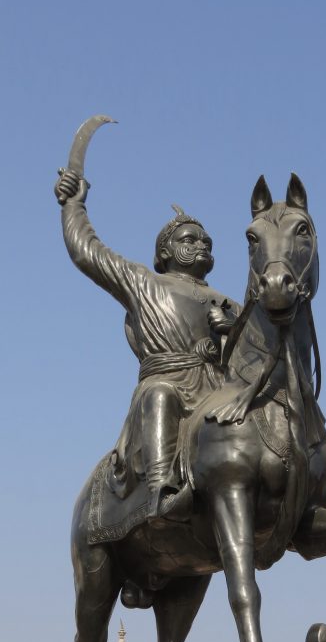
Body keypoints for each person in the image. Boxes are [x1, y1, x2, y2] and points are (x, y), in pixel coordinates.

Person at [55, 168, 238, 517]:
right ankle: (161, 490)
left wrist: (233, 330)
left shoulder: (232, 305)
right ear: (165, 251)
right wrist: (73, 206)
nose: (200, 246)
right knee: (159, 395)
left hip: (218, 390)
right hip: (169, 381)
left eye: (206, 243)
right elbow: (87, 252)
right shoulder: (144, 283)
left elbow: (254, 359)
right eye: (189, 241)